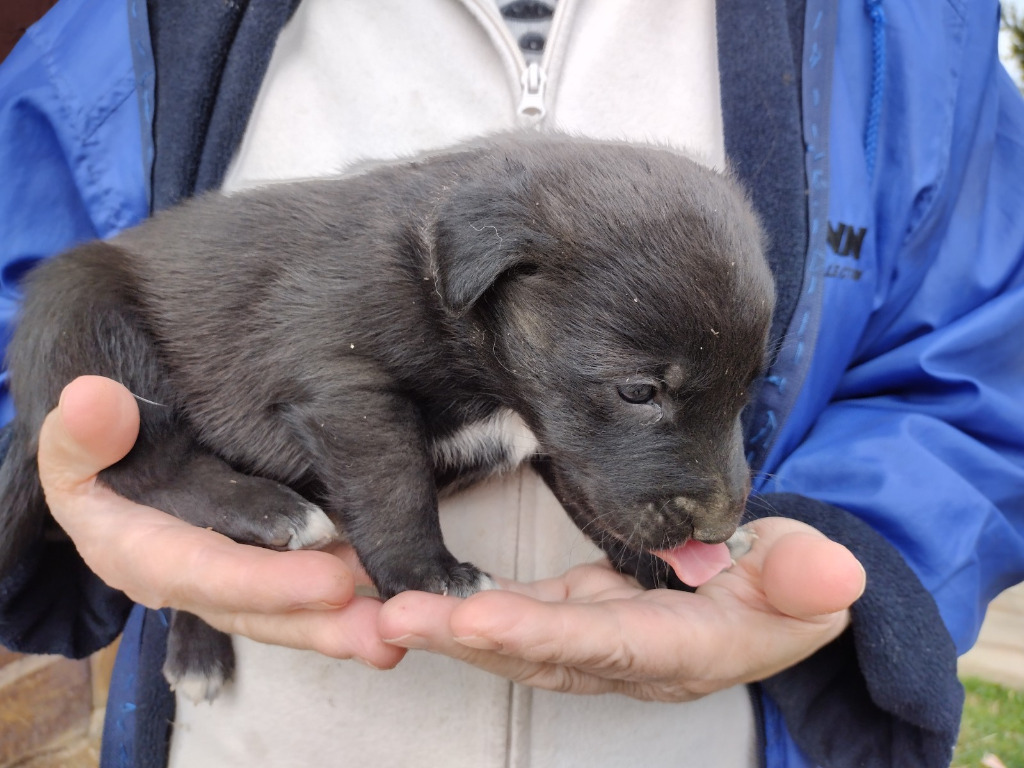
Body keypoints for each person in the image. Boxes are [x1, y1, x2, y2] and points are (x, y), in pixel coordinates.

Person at [1, 1, 1022, 766]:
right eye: (641, 391)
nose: (720, 486)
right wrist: (74, 497)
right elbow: (333, 390)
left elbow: (976, 370)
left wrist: (843, 545)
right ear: (479, 278)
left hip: (706, 741)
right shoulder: (126, 26)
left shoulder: (912, 28)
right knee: (77, 297)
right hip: (253, 733)